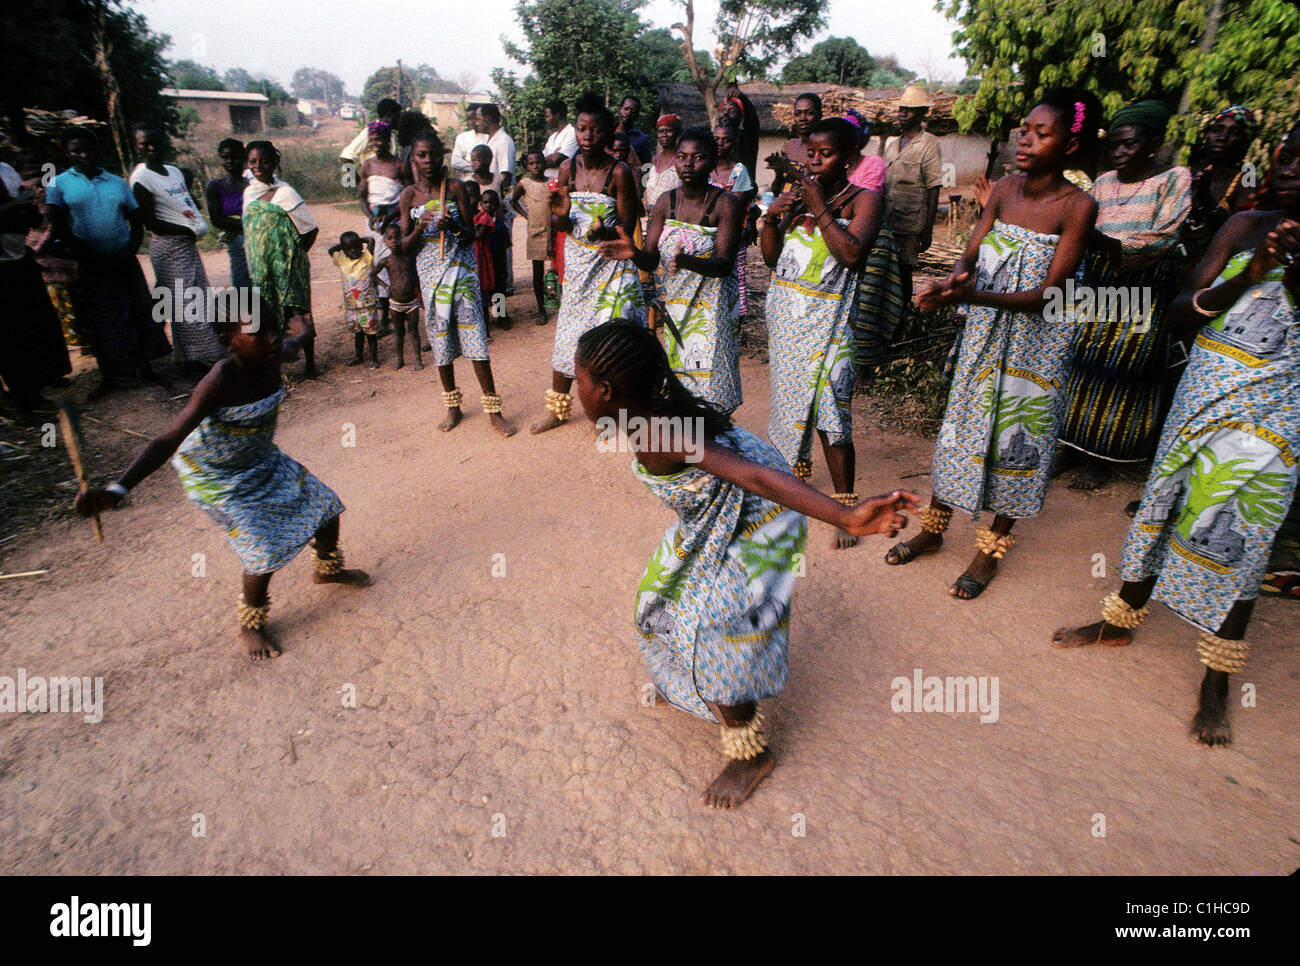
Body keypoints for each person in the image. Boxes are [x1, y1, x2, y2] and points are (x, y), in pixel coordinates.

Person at [573, 321, 919, 807]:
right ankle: (685, 683)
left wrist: (845, 515)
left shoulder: (656, 430)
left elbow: (757, 478)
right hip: (716, 511)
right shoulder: (644, 408)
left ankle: (750, 754)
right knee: (658, 602)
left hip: (760, 514)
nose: (575, 390)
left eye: (579, 380)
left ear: (606, 390)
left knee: (720, 625)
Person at [1051, 121, 1300, 748]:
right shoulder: (1246, 226)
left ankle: (1217, 681)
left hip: (1276, 411)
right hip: (1206, 390)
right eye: (1292, 155)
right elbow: (1182, 312)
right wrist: (1253, 273)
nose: (1295, 168)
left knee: (1246, 529)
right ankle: (1119, 620)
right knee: (1162, 503)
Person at [885, 88, 1102, 598]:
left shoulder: (1078, 207)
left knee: (1017, 439)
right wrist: (958, 279)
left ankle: (990, 550)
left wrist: (974, 294)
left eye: (1041, 133)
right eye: (1024, 129)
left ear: (1070, 146)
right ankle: (934, 531)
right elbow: (970, 252)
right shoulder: (1004, 189)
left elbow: (1050, 293)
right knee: (962, 428)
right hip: (986, 333)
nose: (1024, 139)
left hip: (1038, 346)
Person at [74, 297, 370, 662]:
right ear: (229, 340)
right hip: (216, 476)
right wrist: (118, 488)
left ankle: (327, 570)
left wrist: (305, 330)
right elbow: (167, 440)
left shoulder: (274, 355)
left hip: (260, 460)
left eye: (274, 328)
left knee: (326, 507)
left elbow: (296, 343)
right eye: (260, 332)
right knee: (261, 550)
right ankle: (251, 624)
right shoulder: (220, 380)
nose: (274, 338)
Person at [760, 118, 884, 549]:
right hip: (789, 320)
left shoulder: (865, 200)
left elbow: (852, 254)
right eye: (809, 152)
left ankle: (846, 509)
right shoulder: (795, 199)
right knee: (790, 405)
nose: (813, 160)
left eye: (825, 153)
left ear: (849, 160)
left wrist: (819, 205)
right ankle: (792, 492)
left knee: (832, 413)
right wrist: (770, 220)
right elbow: (773, 262)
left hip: (831, 324)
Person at [1059, 100, 1192, 490]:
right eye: (1115, 143)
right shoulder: (1102, 183)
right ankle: (1070, 446)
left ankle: (1101, 458)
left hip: (1144, 287)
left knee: (1123, 370)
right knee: (1083, 361)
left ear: (1153, 141)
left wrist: (1109, 245)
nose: (1119, 151)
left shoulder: (1173, 179)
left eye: (1129, 143)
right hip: (1098, 282)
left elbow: (1164, 235)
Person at [599, 127, 744, 413]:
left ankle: (719, 445)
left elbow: (724, 264)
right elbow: (651, 260)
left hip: (711, 309)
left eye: (699, 157)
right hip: (677, 308)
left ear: (713, 163)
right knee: (684, 384)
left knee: (713, 385)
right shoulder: (666, 201)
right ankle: (695, 449)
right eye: (682, 157)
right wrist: (634, 254)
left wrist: (687, 260)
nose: (688, 164)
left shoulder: (726, 204)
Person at [530, 95, 645, 435]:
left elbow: (627, 226)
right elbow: (565, 223)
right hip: (580, 266)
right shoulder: (567, 167)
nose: (587, 135)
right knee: (568, 337)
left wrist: (604, 230)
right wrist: (562, 218)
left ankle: (615, 414)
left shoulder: (620, 172)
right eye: (581, 128)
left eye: (596, 130)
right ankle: (558, 410)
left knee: (612, 342)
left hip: (612, 267)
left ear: (608, 134)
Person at [398, 130, 514, 437]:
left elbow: (469, 235)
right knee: (440, 343)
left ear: (442, 158)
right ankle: (453, 406)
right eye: (422, 155)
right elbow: (404, 246)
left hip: (461, 275)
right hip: (431, 278)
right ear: (414, 159)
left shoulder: (454, 187)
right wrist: (420, 226)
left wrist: (453, 228)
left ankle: (494, 409)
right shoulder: (409, 196)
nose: (429, 161)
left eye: (434, 155)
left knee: (475, 337)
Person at [46, 129, 170, 401]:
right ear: (67, 153)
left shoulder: (116, 182)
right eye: (77, 151)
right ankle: (111, 376)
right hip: (90, 264)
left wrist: (129, 250)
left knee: (138, 312)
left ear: (97, 150)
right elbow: (58, 226)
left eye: (88, 149)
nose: (84, 155)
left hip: (123, 260)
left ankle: (146, 369)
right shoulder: (58, 184)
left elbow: (136, 220)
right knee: (103, 320)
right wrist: (87, 254)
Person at [130, 122, 224, 378]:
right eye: (144, 144)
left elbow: (184, 196)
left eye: (155, 142)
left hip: (186, 246)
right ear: (136, 148)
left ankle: (190, 359)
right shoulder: (140, 180)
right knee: (185, 303)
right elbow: (151, 223)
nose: (151, 148)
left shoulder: (172, 171)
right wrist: (188, 230)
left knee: (195, 298)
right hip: (169, 246)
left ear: (164, 143)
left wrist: (192, 224)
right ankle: (197, 361)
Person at [0, 155, 72, 418]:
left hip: (19, 256)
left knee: (36, 322)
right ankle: (24, 399)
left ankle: (44, 379)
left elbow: (30, 216)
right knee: (9, 335)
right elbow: (15, 205)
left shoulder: (6, 169)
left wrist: (27, 205)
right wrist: (15, 204)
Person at [242, 140, 319, 378]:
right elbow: (251, 232)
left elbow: (309, 229)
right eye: (253, 161)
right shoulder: (249, 193)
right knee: (268, 315)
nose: (258, 166)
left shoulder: (286, 192)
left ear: (275, 163)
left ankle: (310, 365)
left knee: (298, 311)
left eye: (264, 161)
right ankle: (273, 366)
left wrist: (291, 258)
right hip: (262, 268)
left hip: (289, 267)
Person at [883, 84, 945, 307]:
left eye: (909, 110)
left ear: (921, 114)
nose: (902, 114)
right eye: (901, 109)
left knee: (904, 273)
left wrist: (928, 229)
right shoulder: (891, 143)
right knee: (884, 271)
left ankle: (903, 314)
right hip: (887, 218)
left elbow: (933, 187)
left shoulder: (928, 144)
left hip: (910, 223)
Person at [1182, 106, 1259, 264]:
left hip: (1209, 268)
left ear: (1245, 142)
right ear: (1206, 136)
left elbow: (1240, 234)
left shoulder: (1247, 179)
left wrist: (1206, 198)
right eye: (1217, 129)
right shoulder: (1184, 173)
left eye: (1234, 132)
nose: (1222, 137)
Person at [711, 121, 756, 319]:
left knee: (733, 283)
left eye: (726, 140)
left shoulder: (739, 171)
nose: (720, 144)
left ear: (733, 143)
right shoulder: (704, 167)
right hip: (705, 236)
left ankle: (733, 323)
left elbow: (734, 207)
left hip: (731, 238)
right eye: (716, 140)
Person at [371, 220, 422, 370]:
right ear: (385, 241)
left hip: (412, 303)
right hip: (395, 304)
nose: (394, 241)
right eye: (390, 238)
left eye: (397, 237)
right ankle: (400, 360)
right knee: (399, 333)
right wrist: (386, 286)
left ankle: (418, 360)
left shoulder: (411, 256)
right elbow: (372, 275)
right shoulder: (386, 261)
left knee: (414, 332)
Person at [511, 149, 553, 324]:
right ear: (526, 166)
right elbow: (513, 201)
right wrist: (526, 215)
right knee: (537, 271)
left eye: (539, 162)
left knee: (558, 268)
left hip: (554, 230)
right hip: (536, 231)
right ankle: (541, 309)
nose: (536, 166)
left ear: (545, 163)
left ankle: (560, 302)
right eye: (532, 163)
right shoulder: (524, 184)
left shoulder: (552, 182)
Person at [478, 104, 517, 295]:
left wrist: (493, 196)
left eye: (479, 118)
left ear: (488, 118)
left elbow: (505, 175)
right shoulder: (489, 140)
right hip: (490, 203)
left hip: (499, 203)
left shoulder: (504, 141)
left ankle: (505, 289)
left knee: (501, 252)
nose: (477, 122)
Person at [328, 231, 380, 368]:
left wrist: (358, 240)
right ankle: (359, 356)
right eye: (349, 248)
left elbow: (371, 240)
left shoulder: (366, 258)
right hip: (351, 307)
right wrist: (346, 243)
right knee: (358, 333)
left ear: (361, 246)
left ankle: (374, 358)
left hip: (367, 305)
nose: (353, 251)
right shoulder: (341, 260)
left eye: (357, 247)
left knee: (370, 332)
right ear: (343, 250)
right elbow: (330, 250)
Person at [204, 138, 252, 289]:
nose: (230, 161)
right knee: (243, 291)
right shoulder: (214, 186)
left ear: (243, 158)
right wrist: (249, 226)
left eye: (234, 157)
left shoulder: (253, 184)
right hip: (236, 246)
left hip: (258, 243)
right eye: (225, 157)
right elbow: (217, 220)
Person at [772, 92, 822, 195]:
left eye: (809, 113)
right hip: (784, 207)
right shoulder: (790, 146)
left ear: (819, 115)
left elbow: (820, 189)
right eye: (798, 113)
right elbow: (776, 191)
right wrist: (779, 173)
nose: (802, 118)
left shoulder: (823, 149)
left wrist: (790, 169)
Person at [716, 85, 761, 185]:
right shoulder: (712, 140)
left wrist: (742, 97)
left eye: (732, 110)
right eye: (723, 110)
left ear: (741, 116)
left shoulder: (747, 138)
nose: (726, 114)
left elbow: (752, 120)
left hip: (742, 191)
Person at [339, 98, 399, 169]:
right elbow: (346, 156)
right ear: (389, 116)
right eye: (398, 116)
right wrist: (354, 179)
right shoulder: (370, 132)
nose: (399, 119)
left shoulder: (391, 135)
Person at [643, 114, 683, 212]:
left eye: (669, 130)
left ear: (676, 133)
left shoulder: (681, 160)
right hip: (651, 216)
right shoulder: (654, 160)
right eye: (661, 131)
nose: (664, 134)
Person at [541, 99, 578, 180]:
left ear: (557, 116)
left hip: (563, 182)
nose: (546, 120)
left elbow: (557, 160)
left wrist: (538, 162)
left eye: (548, 116)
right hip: (548, 182)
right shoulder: (552, 137)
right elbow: (542, 158)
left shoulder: (572, 133)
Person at [450, 104, 487, 178]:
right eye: (468, 119)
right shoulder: (462, 137)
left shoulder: (489, 137)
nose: (470, 122)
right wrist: (474, 167)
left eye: (473, 118)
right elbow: (455, 162)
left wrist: (467, 162)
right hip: (466, 182)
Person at [615, 95, 653, 165]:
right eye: (626, 109)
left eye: (633, 111)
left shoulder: (642, 139)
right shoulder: (607, 132)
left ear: (637, 115)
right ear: (619, 109)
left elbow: (645, 166)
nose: (628, 113)